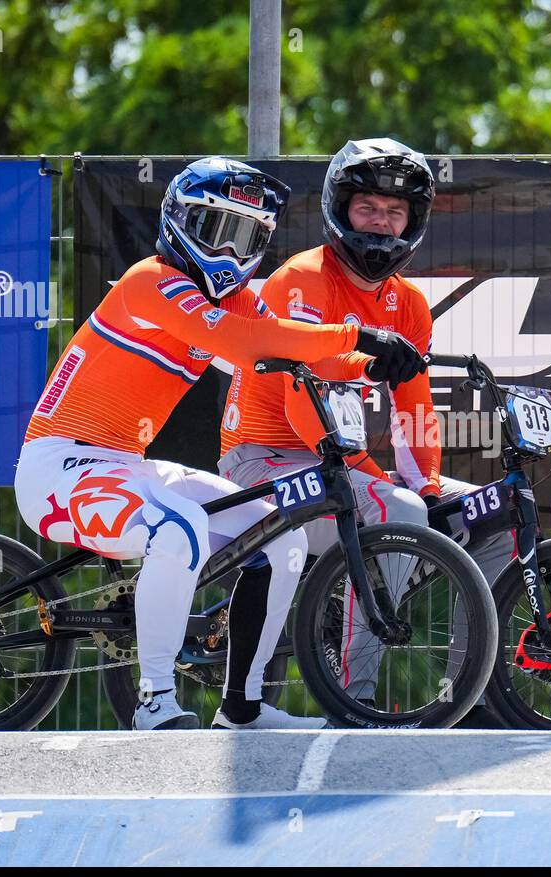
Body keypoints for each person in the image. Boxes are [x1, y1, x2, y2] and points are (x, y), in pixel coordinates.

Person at [14, 156, 422, 730]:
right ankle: (154, 701)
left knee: (281, 536)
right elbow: (244, 341)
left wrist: (372, 360)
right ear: (181, 221)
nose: (230, 253)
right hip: (58, 465)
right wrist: (359, 333)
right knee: (175, 527)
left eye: (246, 237)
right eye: (218, 231)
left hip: (126, 465)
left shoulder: (230, 299)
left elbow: (292, 346)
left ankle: (243, 708)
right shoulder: (147, 281)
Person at [215, 138, 513, 715]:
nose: (381, 222)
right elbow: (304, 399)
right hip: (264, 457)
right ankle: (354, 696)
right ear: (340, 208)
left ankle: (468, 690)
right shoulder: (301, 279)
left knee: (494, 516)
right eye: (369, 209)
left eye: (395, 212)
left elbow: (415, 409)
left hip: (336, 461)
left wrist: (426, 484)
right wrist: (387, 485)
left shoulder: (411, 304)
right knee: (394, 511)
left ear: (414, 220)